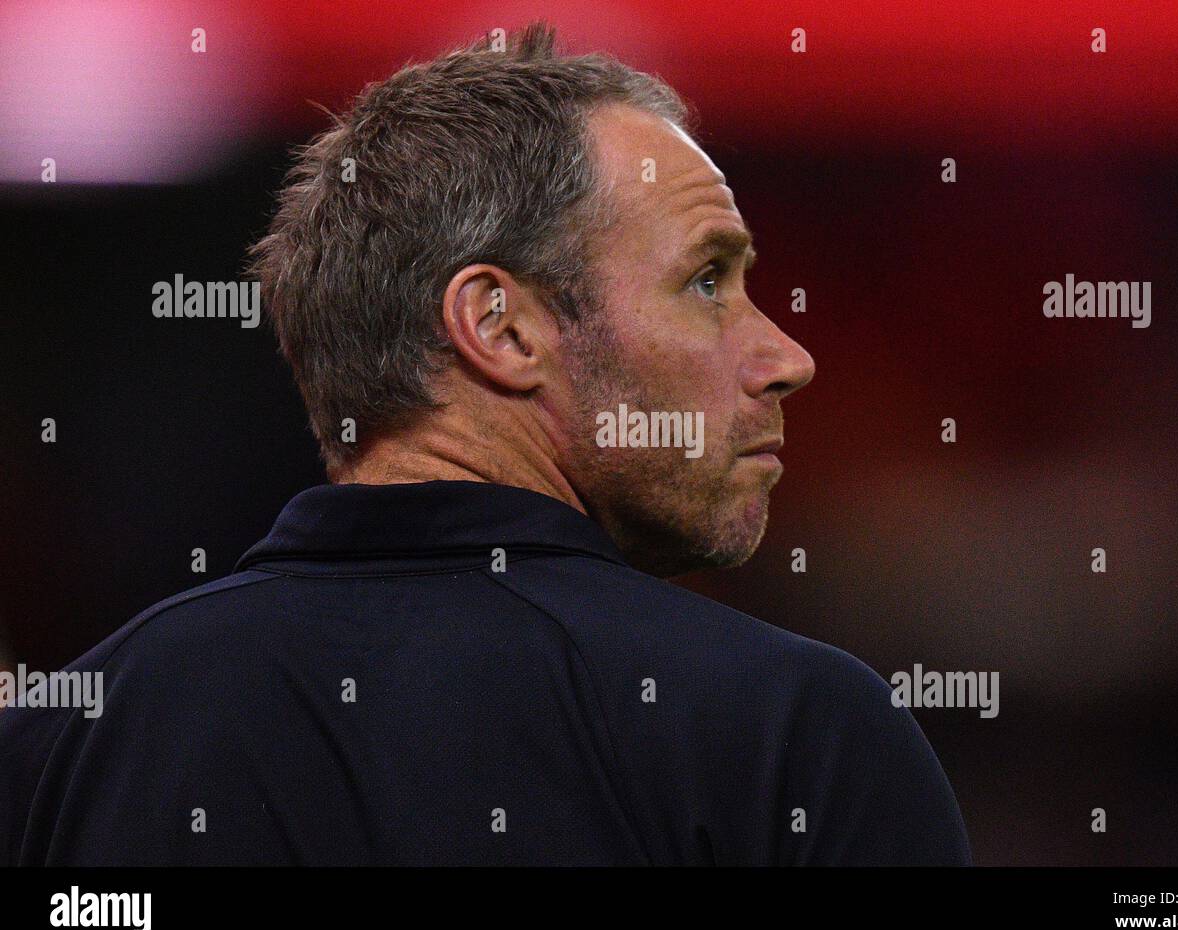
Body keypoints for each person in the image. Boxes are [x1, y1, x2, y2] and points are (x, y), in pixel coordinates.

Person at [0, 23, 970, 865]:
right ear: (501, 328)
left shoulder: (57, 742)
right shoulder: (792, 730)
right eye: (707, 279)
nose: (786, 356)